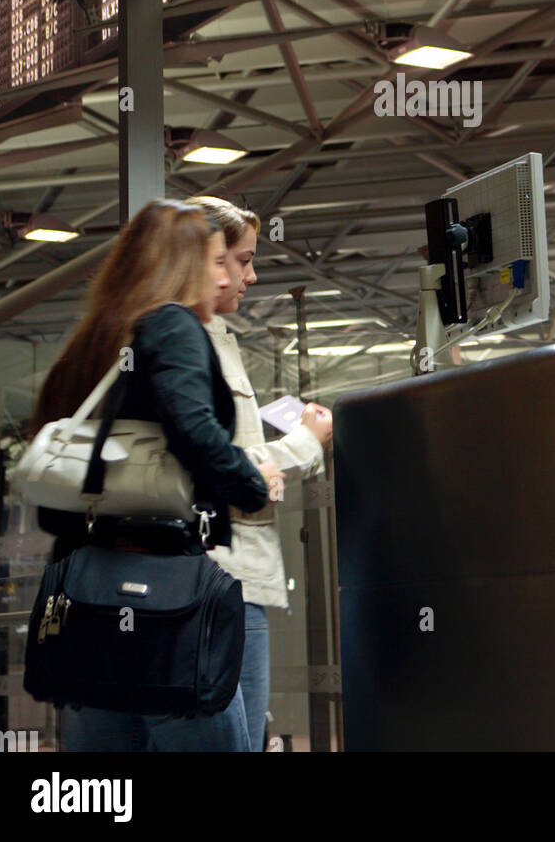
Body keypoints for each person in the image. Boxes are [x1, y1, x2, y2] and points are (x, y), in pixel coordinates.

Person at [28, 198, 283, 752]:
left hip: (85, 594)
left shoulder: (97, 335)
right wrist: (249, 481)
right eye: (217, 261)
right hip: (164, 598)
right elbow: (192, 426)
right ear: (182, 263)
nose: (224, 279)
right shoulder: (171, 324)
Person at [185, 196, 333, 751]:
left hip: (229, 576)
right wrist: (302, 445)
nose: (250, 274)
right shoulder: (189, 345)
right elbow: (210, 467)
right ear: (205, 260)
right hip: (224, 577)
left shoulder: (216, 340)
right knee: (235, 741)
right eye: (240, 259)